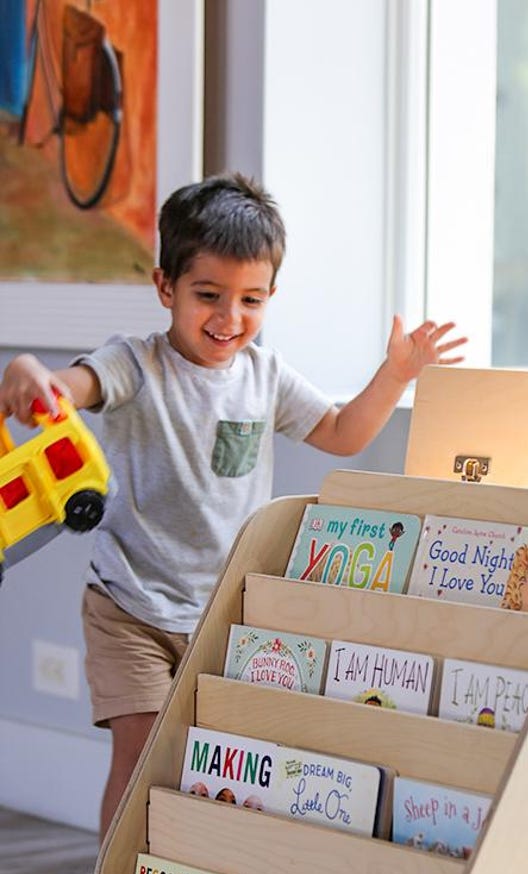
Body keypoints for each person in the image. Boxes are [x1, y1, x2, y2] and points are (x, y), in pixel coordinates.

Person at [0, 172, 465, 840]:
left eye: (250, 300)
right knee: (140, 756)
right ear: (166, 288)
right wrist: (28, 371)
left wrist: (394, 374)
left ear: (271, 295)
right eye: (208, 296)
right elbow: (68, 388)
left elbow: (342, 433)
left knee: (213, 766)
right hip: (128, 606)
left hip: (221, 609)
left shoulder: (264, 377)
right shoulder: (136, 364)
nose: (228, 319)